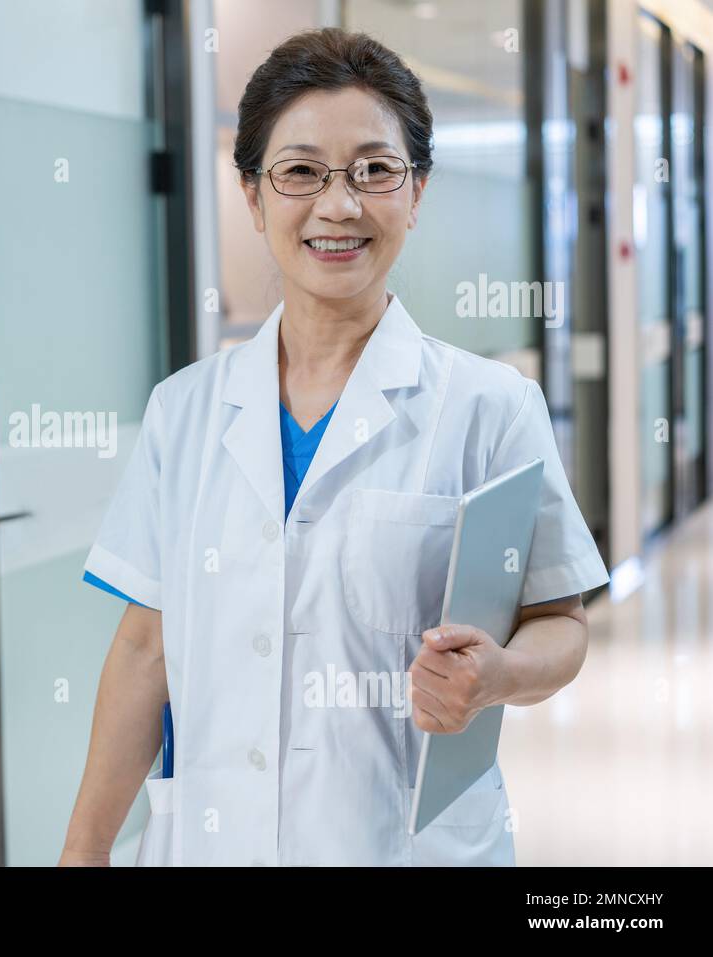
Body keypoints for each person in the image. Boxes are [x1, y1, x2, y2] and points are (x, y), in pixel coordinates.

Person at [58, 27, 609, 867]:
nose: (339, 205)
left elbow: (560, 623)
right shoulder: (185, 412)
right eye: (301, 171)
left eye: (375, 170)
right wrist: (85, 849)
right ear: (252, 196)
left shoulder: (490, 406)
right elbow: (144, 649)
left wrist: (496, 676)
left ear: (416, 191)